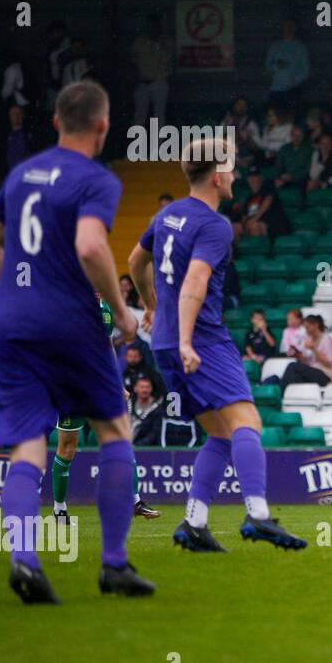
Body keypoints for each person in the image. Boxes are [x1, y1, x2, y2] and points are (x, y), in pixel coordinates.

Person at [0, 80, 155, 602]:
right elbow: (91, 245)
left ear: (55, 121)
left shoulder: (22, 174)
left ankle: (25, 561)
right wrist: (122, 314)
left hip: (11, 323)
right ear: (102, 126)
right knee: (116, 429)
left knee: (29, 443)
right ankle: (114, 565)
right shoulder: (93, 178)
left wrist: (16, 287)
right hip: (69, 321)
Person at [130, 134, 307, 554]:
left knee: (221, 435)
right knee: (248, 423)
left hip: (165, 343)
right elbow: (195, 281)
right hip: (202, 340)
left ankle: (194, 522)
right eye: (229, 166)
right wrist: (189, 340)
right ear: (216, 175)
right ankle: (258, 514)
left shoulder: (167, 214)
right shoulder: (215, 225)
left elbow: (137, 262)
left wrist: (152, 307)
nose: (235, 174)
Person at [48, 295, 161, 523]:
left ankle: (135, 501)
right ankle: (59, 509)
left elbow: (107, 348)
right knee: (68, 447)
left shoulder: (105, 309)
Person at [130, 12, 171, 128]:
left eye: (155, 25)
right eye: (150, 25)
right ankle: (137, 145)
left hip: (159, 82)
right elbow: (132, 59)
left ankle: (159, 145)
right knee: (139, 116)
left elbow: (168, 60)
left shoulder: (165, 41)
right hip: (142, 83)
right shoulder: (140, 41)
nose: (152, 27)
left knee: (159, 116)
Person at [279, 314, 332, 389]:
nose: (306, 330)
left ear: (316, 325)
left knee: (292, 366)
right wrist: (297, 354)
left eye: (308, 327)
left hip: (326, 374)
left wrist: (314, 349)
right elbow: (306, 361)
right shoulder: (309, 339)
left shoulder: (326, 339)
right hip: (313, 372)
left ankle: (279, 394)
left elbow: (328, 363)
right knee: (295, 378)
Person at [265, 18, 310, 113]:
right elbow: (267, 68)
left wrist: (293, 82)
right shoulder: (275, 46)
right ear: (283, 28)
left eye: (291, 26)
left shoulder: (300, 47)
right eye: (286, 26)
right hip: (276, 89)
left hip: (294, 91)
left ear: (295, 29)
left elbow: (305, 71)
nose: (289, 29)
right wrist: (277, 66)